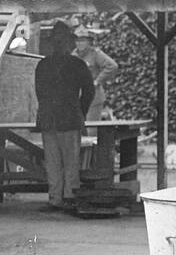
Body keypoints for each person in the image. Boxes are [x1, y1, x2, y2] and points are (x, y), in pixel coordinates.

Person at [34, 20, 94, 211]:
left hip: (55, 119)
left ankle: (60, 198)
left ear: (68, 42)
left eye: (61, 40)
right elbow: (89, 91)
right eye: (57, 41)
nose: (59, 44)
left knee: (59, 162)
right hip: (62, 119)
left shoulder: (44, 65)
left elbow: (40, 94)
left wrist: (79, 113)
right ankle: (65, 197)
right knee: (65, 162)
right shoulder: (76, 64)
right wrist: (80, 112)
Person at [73, 24, 120, 120]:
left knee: (91, 130)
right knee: (77, 129)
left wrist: (97, 81)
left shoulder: (95, 53)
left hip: (93, 98)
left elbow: (112, 66)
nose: (79, 43)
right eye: (77, 40)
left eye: (82, 40)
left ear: (88, 42)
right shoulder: (73, 55)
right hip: (77, 98)